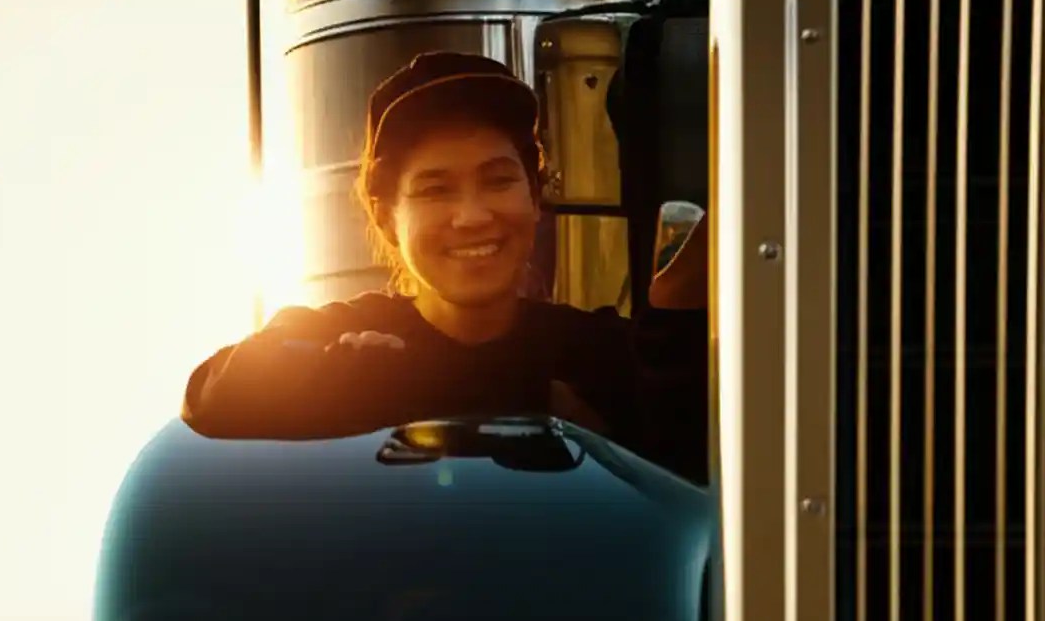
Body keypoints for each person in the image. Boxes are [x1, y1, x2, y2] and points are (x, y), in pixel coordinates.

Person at [182, 51, 693, 462]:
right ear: (386, 218)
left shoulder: (594, 351)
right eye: (434, 189)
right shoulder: (341, 336)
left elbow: (697, 433)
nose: (471, 216)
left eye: (498, 180)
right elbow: (216, 391)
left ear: (536, 196)